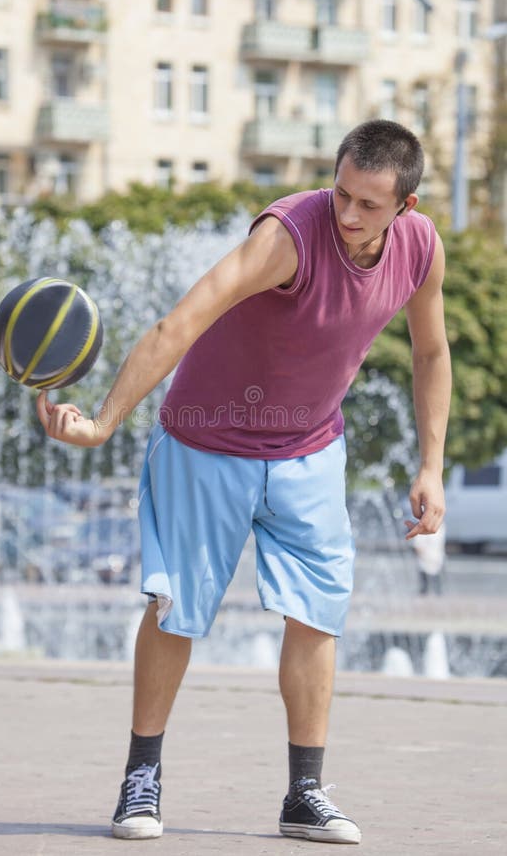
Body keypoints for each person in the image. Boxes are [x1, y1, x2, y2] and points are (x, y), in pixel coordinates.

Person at [37, 120, 451, 845]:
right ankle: (142, 778)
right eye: (342, 193)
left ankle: (305, 793)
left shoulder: (421, 249)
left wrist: (431, 465)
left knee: (318, 614)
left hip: (311, 450)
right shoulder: (288, 236)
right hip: (206, 440)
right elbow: (180, 322)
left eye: (370, 205)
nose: (349, 214)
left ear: (406, 208)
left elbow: (432, 352)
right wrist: (103, 422)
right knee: (176, 609)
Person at [411, 520, 447, 595]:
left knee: (436, 576)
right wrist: (421, 554)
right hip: (425, 556)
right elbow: (418, 544)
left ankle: (437, 592)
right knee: (425, 577)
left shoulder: (440, 527)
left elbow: (440, 542)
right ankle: (425, 592)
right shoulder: (423, 526)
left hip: (436, 555)